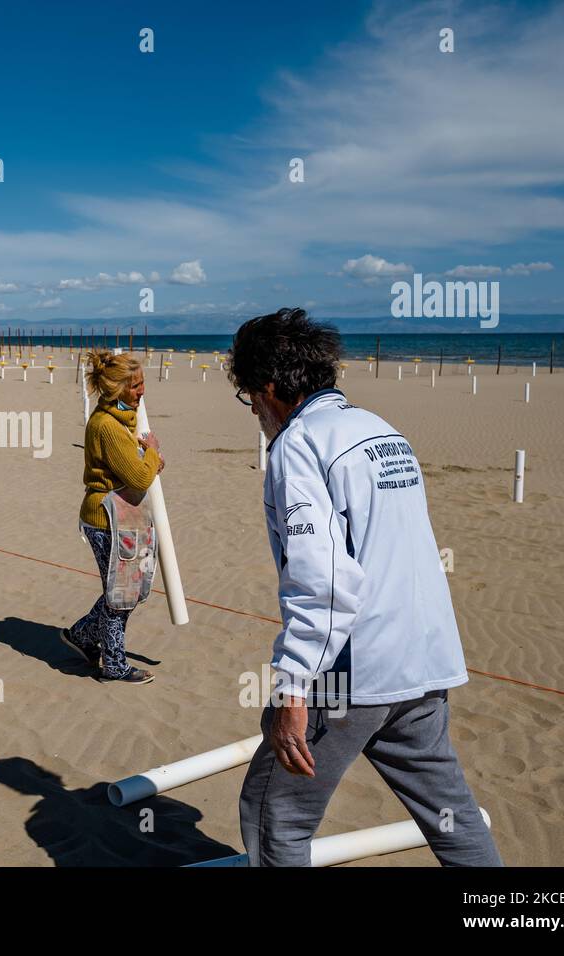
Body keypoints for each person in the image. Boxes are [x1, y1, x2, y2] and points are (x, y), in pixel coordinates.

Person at [228, 308, 501, 866]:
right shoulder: (382, 430)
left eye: (251, 397)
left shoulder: (298, 444)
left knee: (273, 813)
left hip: (349, 671)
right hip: (424, 657)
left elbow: (320, 579)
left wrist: (294, 688)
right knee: (451, 816)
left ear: (270, 388)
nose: (254, 410)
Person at [61, 350, 164, 684]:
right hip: (107, 518)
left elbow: (136, 469)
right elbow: (138, 478)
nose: (141, 392)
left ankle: (81, 635)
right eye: (135, 386)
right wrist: (151, 453)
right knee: (121, 595)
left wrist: (148, 459)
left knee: (120, 592)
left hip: (117, 515)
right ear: (117, 388)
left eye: (142, 384)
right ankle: (114, 664)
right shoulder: (108, 425)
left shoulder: (118, 421)